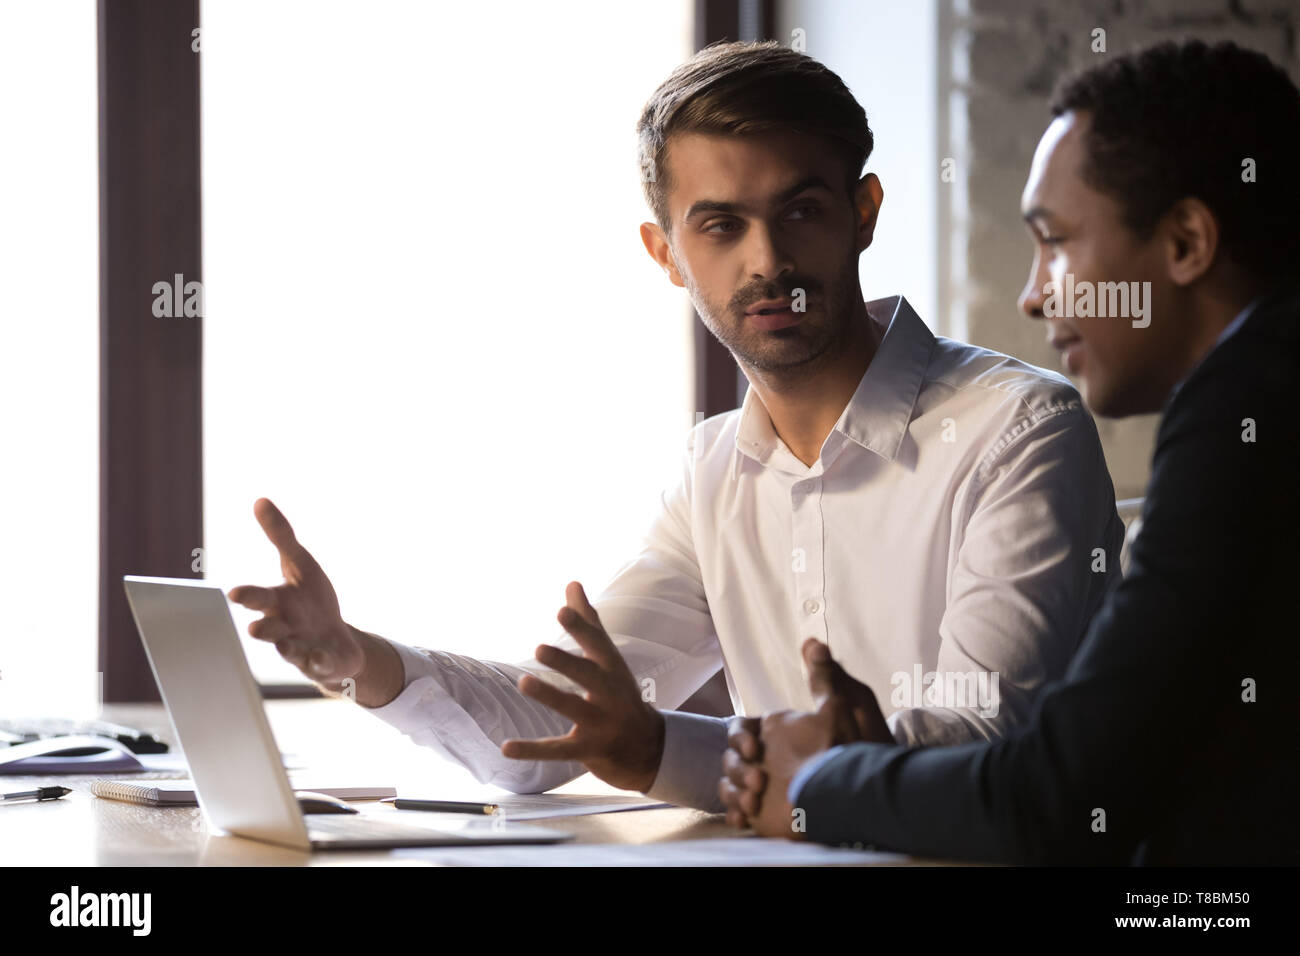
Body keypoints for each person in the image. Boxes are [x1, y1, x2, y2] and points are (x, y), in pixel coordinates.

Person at [228, 41, 1121, 810]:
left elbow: (986, 741)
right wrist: (357, 659)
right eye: (721, 226)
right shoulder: (714, 472)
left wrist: (665, 753)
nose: (768, 261)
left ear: (864, 213)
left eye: (801, 211)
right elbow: (564, 725)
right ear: (665, 254)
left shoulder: (1020, 429)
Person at [719, 39, 1300, 864]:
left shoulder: (1249, 412)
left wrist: (823, 783)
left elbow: (1058, 792)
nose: (1032, 294)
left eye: (1055, 241)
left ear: (1184, 244)